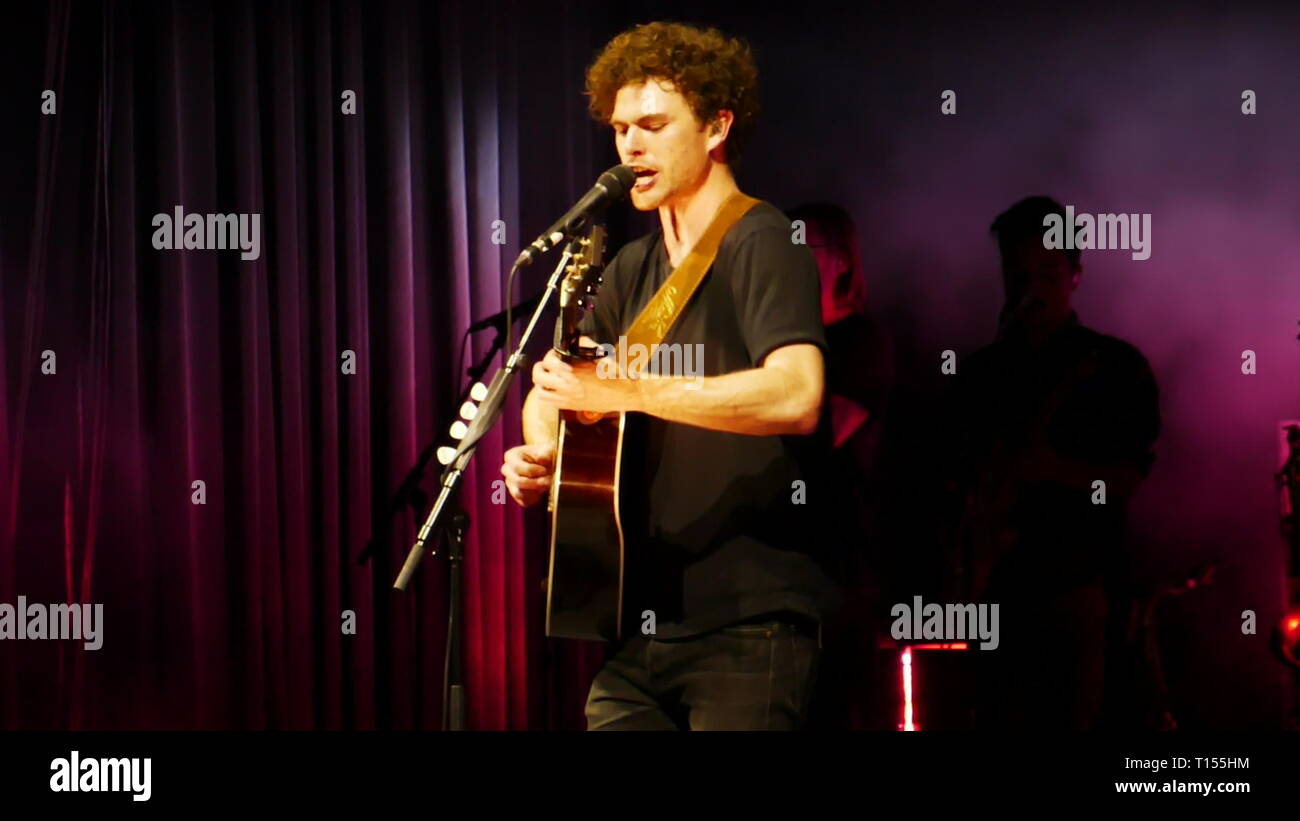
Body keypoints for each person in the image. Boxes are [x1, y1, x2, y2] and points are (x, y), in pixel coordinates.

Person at [500, 21, 839, 730]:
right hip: (638, 623)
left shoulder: (763, 238)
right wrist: (547, 453)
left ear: (717, 127)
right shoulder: (631, 266)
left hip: (748, 624)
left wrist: (625, 390)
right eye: (621, 127)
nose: (630, 145)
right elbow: (554, 386)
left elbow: (799, 392)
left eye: (653, 125)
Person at [946, 195, 1161, 729]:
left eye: (1046, 271)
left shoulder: (1114, 367)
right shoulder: (979, 374)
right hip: (995, 590)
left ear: (1075, 275)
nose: (1030, 286)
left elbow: (1127, 478)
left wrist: (1051, 470)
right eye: (1017, 273)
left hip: (1076, 586)